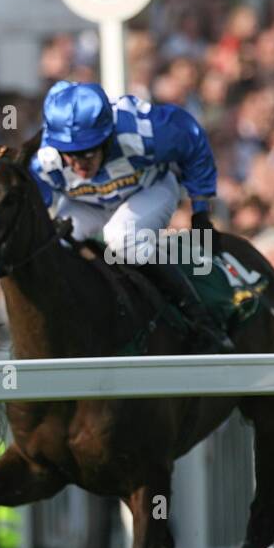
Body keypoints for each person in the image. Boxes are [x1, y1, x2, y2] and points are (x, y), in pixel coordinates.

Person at [30, 81, 235, 352]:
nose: (79, 165)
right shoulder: (43, 162)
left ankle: (198, 316)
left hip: (149, 189)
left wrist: (200, 211)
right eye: (70, 155)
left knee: (121, 239)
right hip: (85, 202)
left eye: (88, 152)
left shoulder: (143, 131)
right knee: (54, 249)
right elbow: (35, 211)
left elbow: (192, 137)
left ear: (106, 137)